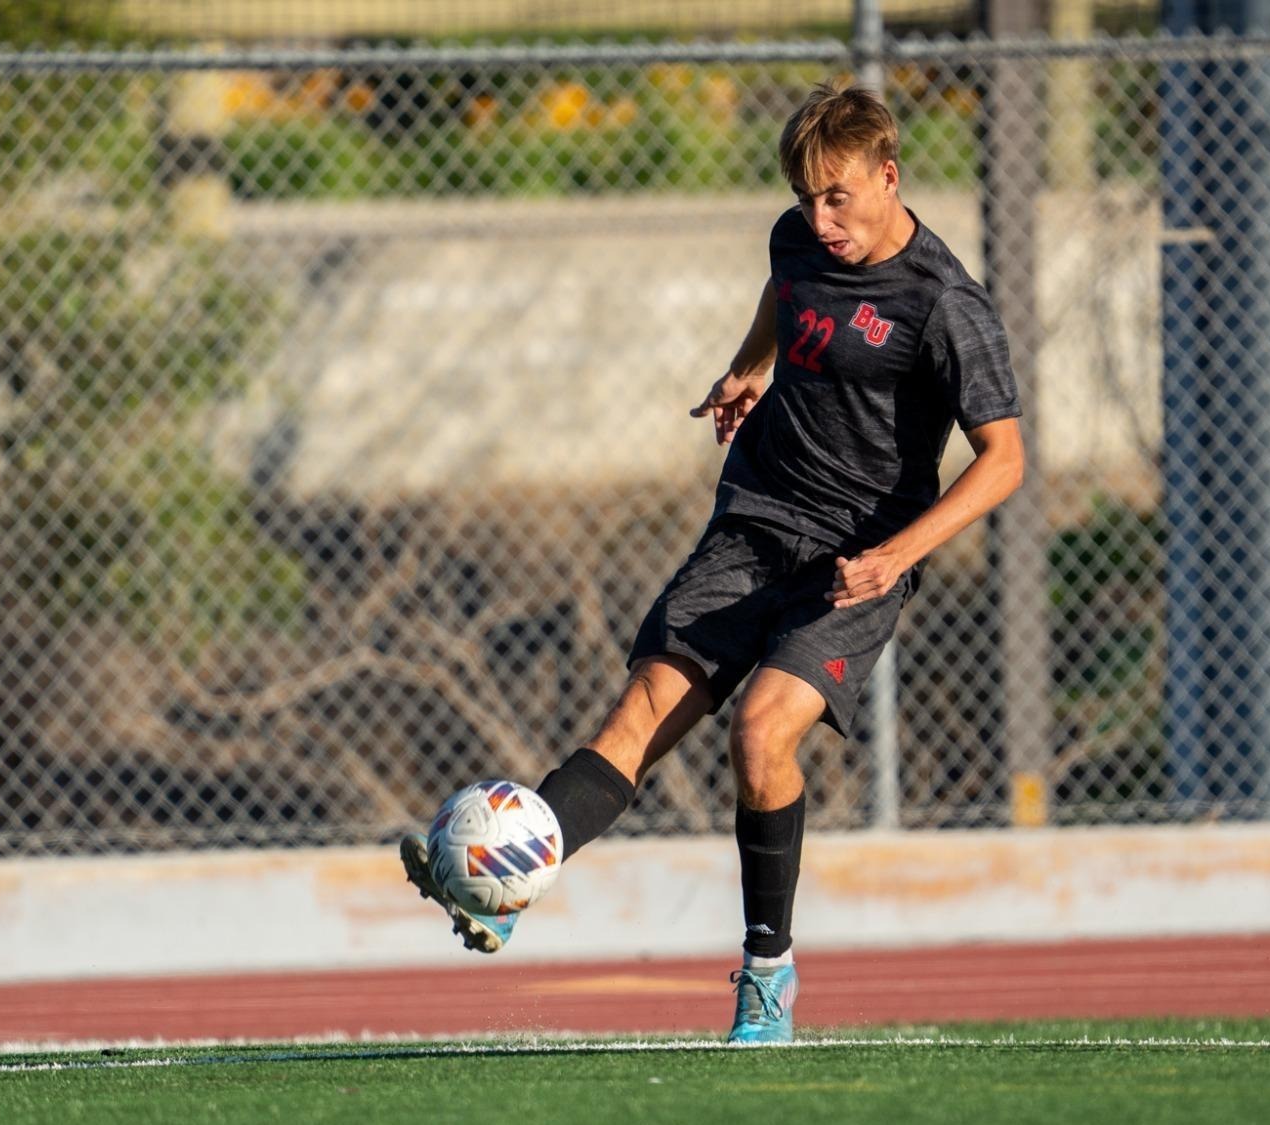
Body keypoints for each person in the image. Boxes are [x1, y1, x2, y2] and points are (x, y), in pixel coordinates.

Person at [400, 78, 1026, 1045]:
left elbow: (1007, 459)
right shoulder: (796, 240)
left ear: (889, 176)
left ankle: (766, 978)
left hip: (855, 558)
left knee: (763, 732)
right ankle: (504, 884)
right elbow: (789, 292)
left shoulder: (945, 306)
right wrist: (752, 364)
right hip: (755, 519)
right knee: (641, 711)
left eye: (839, 198)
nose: (820, 220)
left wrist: (896, 555)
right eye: (807, 199)